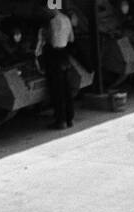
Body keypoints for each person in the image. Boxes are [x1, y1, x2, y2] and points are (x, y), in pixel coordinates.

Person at [36, 2, 76, 130]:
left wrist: (44, 37)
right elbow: (71, 39)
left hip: (54, 56)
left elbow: (53, 42)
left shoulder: (53, 22)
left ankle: (60, 120)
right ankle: (70, 118)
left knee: (57, 91)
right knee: (66, 89)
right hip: (65, 55)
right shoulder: (66, 19)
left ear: (51, 8)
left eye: (46, 9)